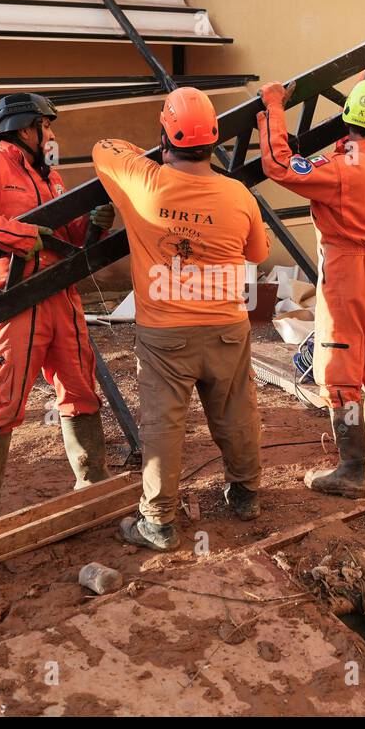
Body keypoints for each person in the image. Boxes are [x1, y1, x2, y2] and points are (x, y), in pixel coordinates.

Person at [91, 87, 268, 551]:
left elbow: (103, 147)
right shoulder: (237, 194)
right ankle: (246, 491)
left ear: (166, 136)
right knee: (235, 411)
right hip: (228, 325)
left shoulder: (144, 181)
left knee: (164, 424)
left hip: (165, 333)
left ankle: (159, 522)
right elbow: (258, 253)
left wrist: (152, 155)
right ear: (213, 139)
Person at [0, 93, 116, 523]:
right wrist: (19, 237)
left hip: (62, 296)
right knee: (4, 401)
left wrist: (92, 222)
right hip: (14, 296)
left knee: (80, 390)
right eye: (46, 126)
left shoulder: (52, 177)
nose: (52, 134)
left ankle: (91, 486)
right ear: (24, 128)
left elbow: (69, 236)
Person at [257, 78, 365, 497]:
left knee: (339, 373)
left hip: (350, 276)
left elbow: (279, 165)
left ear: (347, 119)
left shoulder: (340, 170)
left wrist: (272, 107)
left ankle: (352, 468)